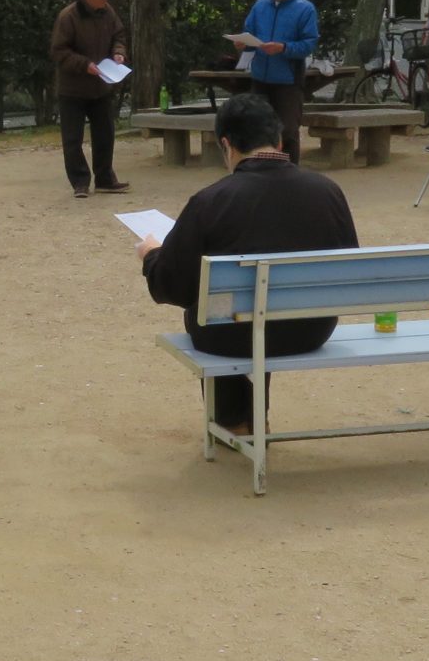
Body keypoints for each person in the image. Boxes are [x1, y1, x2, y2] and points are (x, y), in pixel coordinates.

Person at [137, 90, 359, 433]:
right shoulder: (327, 191)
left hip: (231, 338)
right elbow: (348, 265)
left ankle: (234, 421)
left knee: (217, 309)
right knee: (248, 307)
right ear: (279, 140)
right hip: (310, 328)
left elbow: (173, 287)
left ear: (227, 145)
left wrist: (152, 254)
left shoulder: (211, 201)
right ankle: (250, 419)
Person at [51, 0, 130, 198]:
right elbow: (59, 51)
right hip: (73, 89)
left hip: (101, 85)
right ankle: (80, 182)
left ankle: (105, 179)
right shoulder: (68, 17)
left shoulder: (108, 12)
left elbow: (119, 35)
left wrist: (118, 52)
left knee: (105, 134)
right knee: (72, 139)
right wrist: (85, 65)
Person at [238, 0, 320, 162]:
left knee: (288, 131)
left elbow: (309, 43)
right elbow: (249, 32)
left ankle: (290, 173)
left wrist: (283, 48)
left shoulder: (305, 8)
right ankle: (261, 171)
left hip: (288, 80)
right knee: (257, 128)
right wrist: (242, 43)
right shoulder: (260, 5)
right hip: (260, 78)